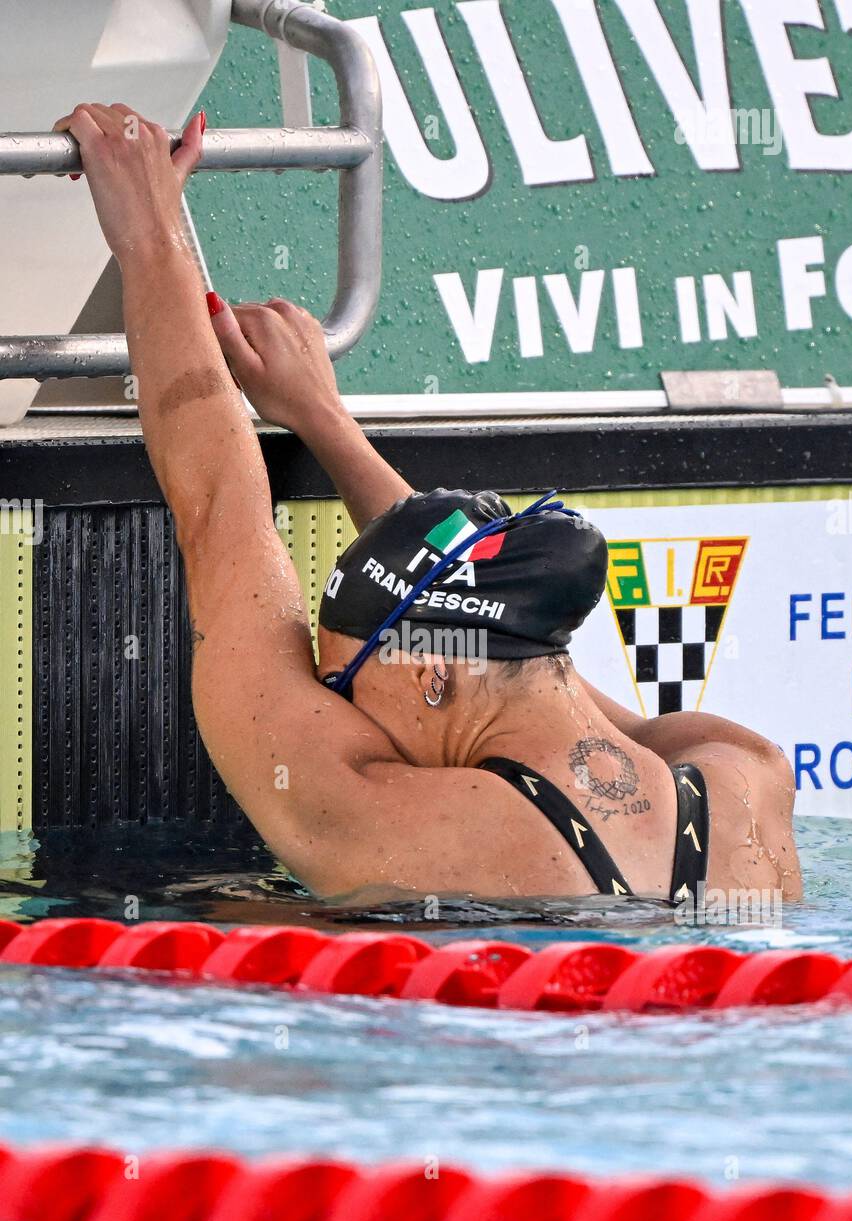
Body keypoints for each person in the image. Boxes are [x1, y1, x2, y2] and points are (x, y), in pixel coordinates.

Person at [52, 103, 802, 904]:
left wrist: (149, 235)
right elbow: (510, 642)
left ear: (435, 678)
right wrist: (324, 421)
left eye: (339, 685)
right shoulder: (744, 775)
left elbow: (217, 515)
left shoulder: (395, 824)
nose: (341, 713)